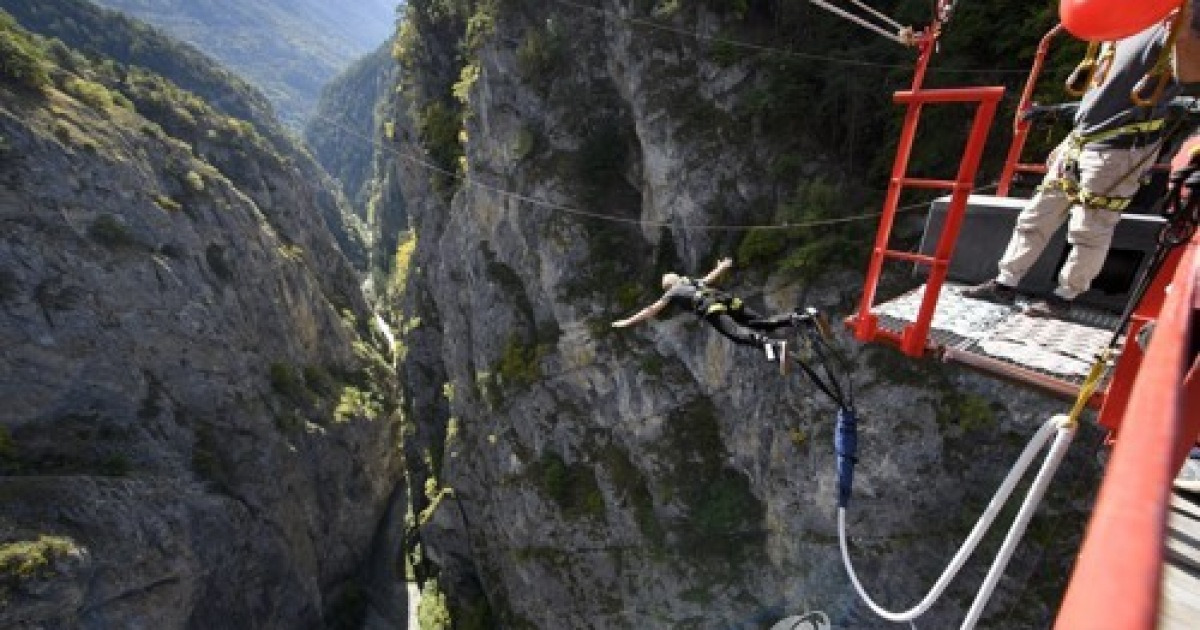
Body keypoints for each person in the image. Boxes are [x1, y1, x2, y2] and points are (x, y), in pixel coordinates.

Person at [964, 16, 1186, 317]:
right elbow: (1102, 95)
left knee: (1090, 228)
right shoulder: (1114, 31)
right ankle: (1005, 282)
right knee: (1036, 215)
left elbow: (1189, 67)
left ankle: (1064, 298)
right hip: (1082, 139)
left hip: (1119, 148)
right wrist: (1065, 125)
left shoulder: (1171, 33)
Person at [611, 257, 797, 368]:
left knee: (737, 335)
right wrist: (723, 266)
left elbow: (651, 310)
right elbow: (709, 277)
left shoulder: (672, 293)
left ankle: (775, 346)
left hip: (711, 308)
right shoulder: (691, 282)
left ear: (667, 287)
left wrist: (627, 322)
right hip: (728, 300)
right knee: (761, 323)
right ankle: (800, 317)